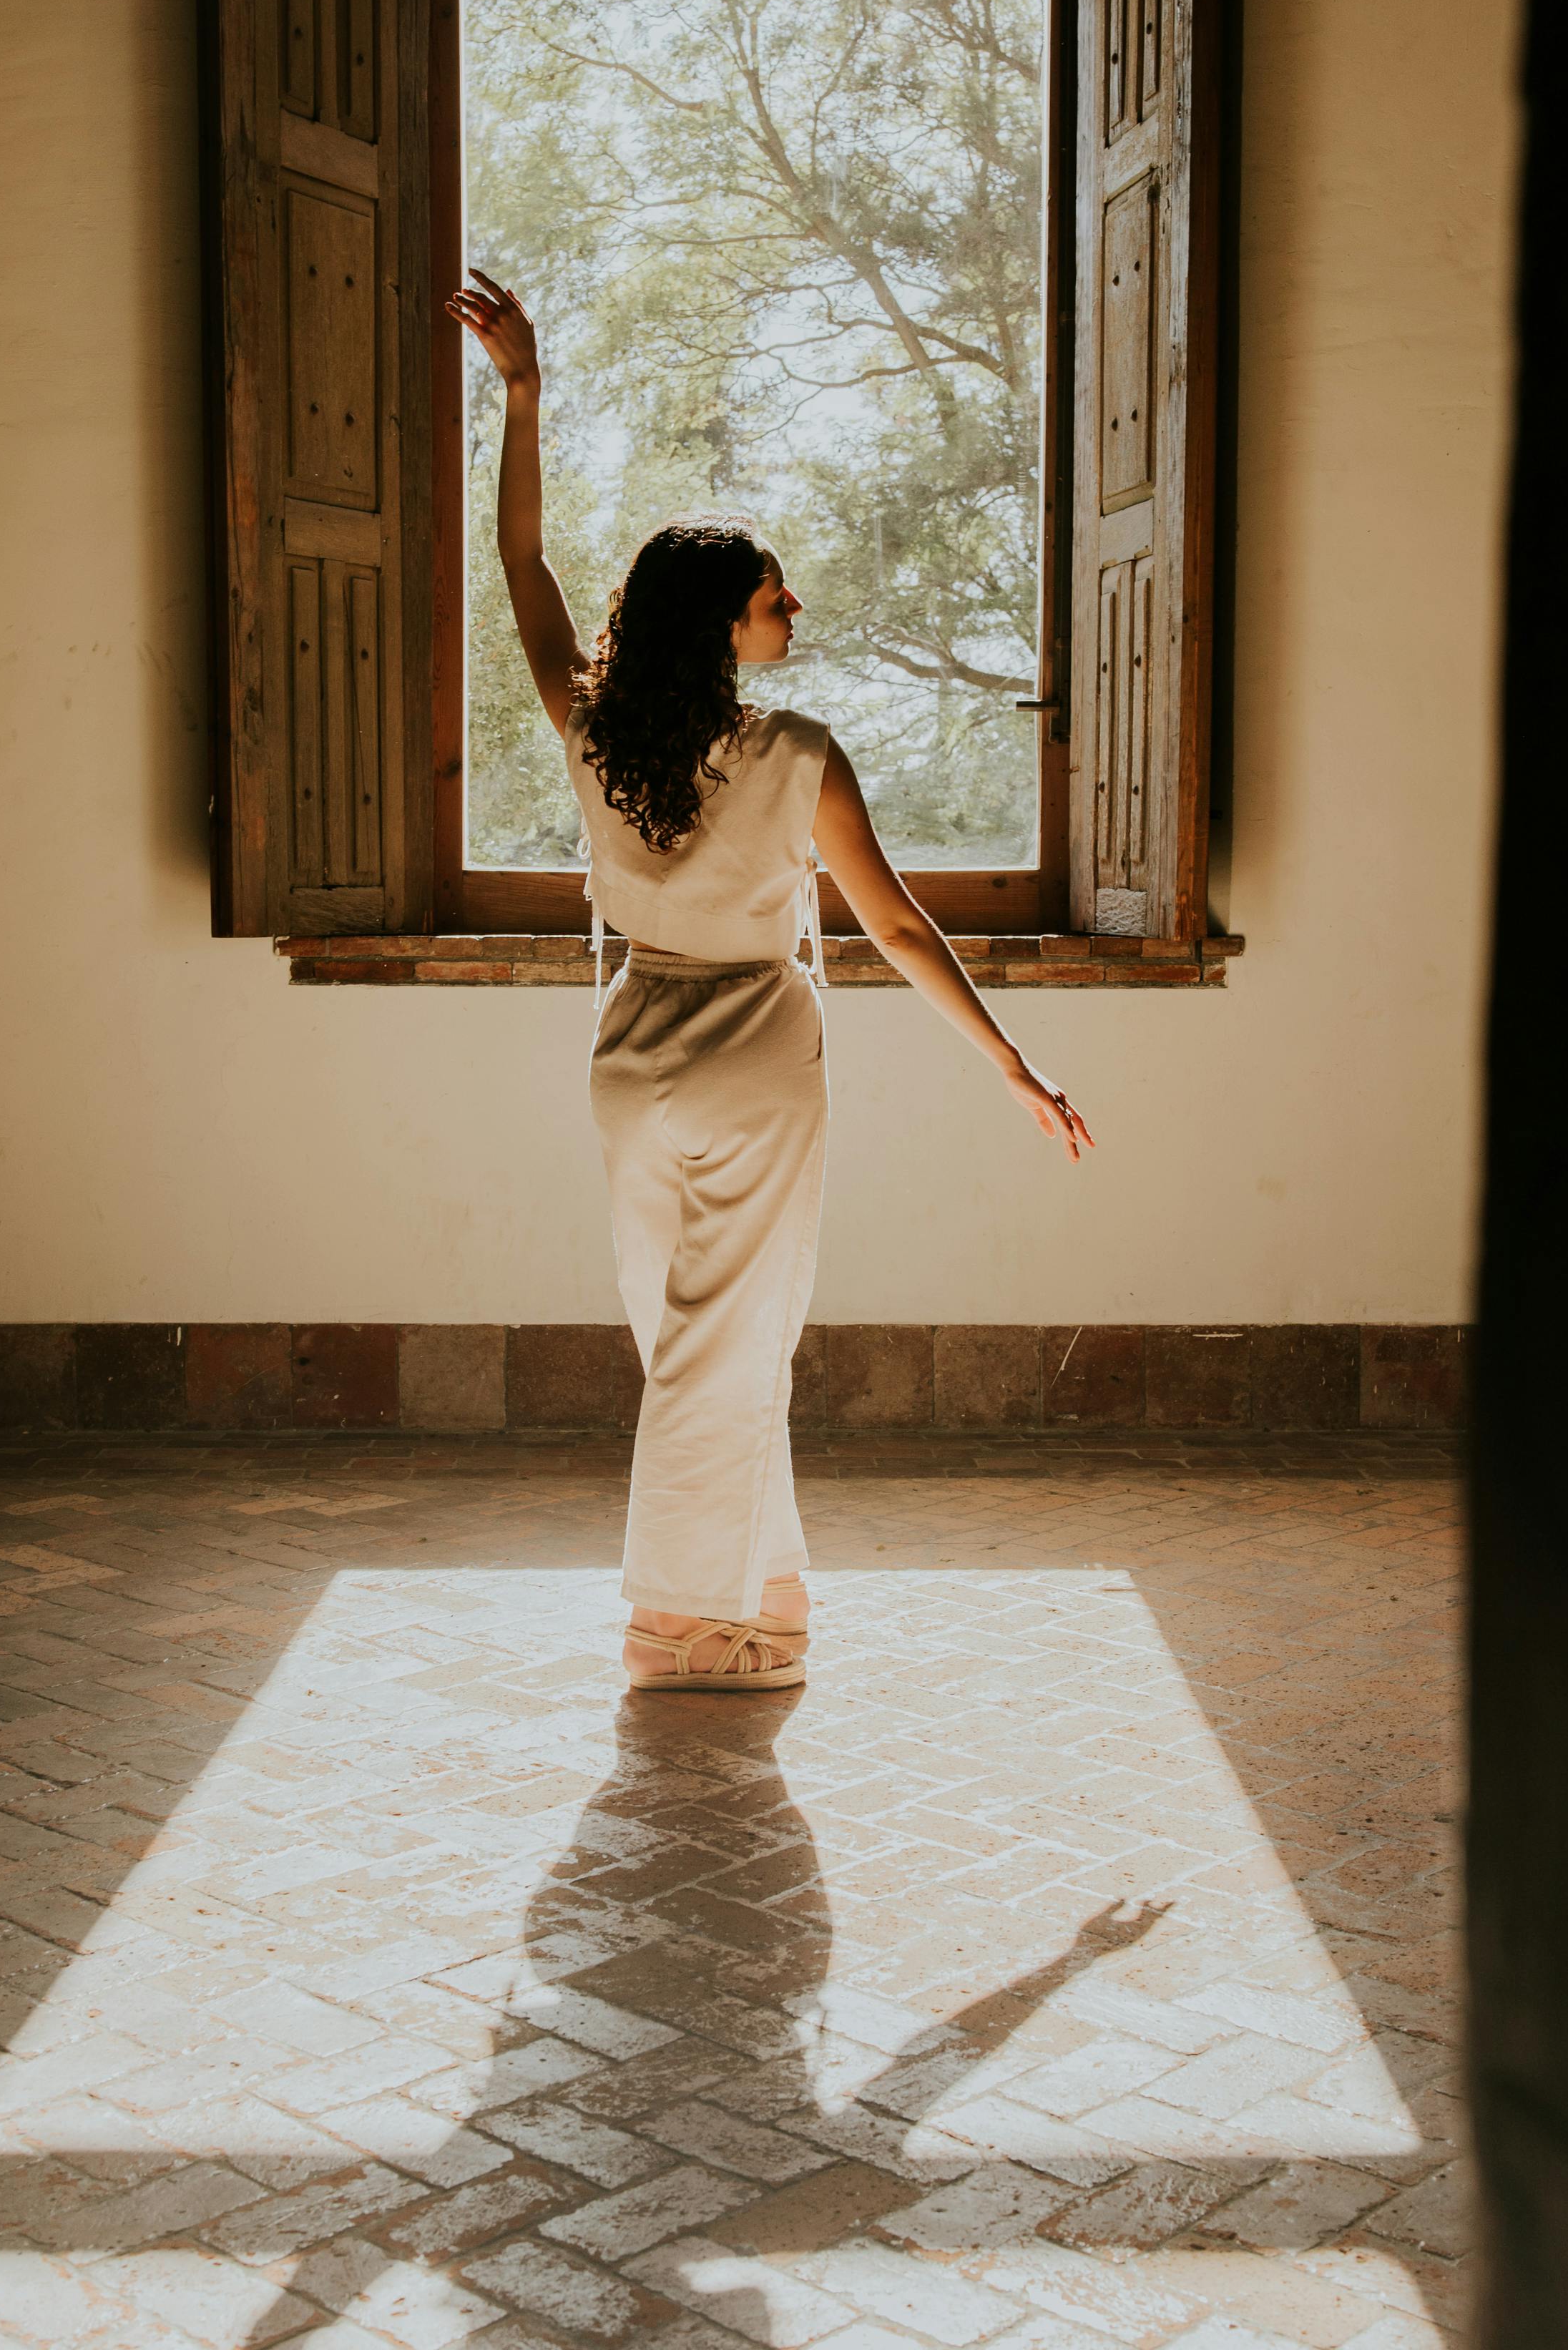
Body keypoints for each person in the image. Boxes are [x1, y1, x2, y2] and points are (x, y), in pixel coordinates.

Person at [446, 270, 1094, 1697]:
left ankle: (758, 1602)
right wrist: (1013, 1072)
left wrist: (523, 396)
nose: (791, 606)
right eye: (768, 593)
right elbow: (903, 932)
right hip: (752, 1058)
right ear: (720, 623)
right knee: (725, 1349)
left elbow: (523, 570)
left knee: (688, 1338)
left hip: (631, 1057)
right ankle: (678, 1623)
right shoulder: (796, 752)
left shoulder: (591, 728)